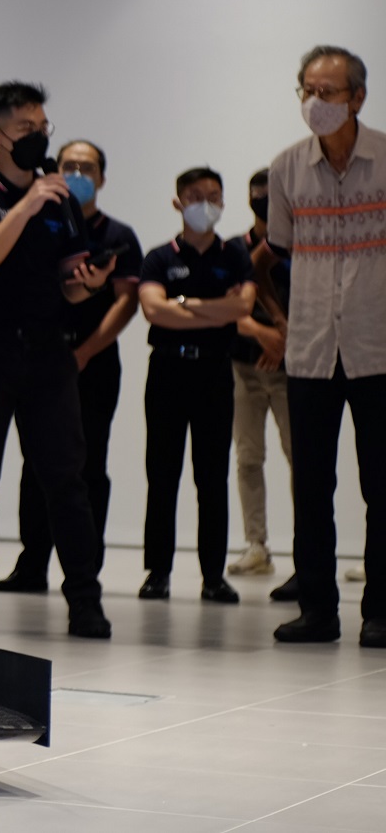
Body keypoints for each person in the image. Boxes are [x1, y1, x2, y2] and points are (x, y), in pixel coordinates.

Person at [0, 82, 116, 638]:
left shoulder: (60, 198)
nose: (38, 137)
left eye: (43, 128)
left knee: (67, 480)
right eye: (26, 130)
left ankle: (85, 599)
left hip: (47, 352)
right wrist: (24, 207)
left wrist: (88, 285)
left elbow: (68, 283)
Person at [257, 45, 385, 647]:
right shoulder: (285, 169)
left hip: (378, 347)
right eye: (307, 90)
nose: (315, 102)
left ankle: (381, 611)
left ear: (358, 97)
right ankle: (317, 609)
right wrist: (285, 323)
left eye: (328, 92)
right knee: (311, 485)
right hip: (310, 350)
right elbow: (278, 253)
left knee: (381, 485)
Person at [0, 140, 141, 592]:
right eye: (69, 164)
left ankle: (84, 570)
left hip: (93, 364)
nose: (77, 171)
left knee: (87, 464)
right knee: (34, 464)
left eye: (87, 166)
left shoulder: (118, 235)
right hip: (41, 360)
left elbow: (125, 303)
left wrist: (86, 351)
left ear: (101, 176)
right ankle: (31, 563)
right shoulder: (40, 220)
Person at [134, 167, 255, 603]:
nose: (207, 203)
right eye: (196, 195)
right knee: (162, 473)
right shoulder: (158, 257)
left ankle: (213, 576)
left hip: (214, 373)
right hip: (167, 371)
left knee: (212, 476)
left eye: (215, 195)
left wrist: (184, 302)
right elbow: (154, 311)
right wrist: (214, 309)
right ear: (178, 201)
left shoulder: (235, 254)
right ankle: (157, 572)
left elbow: (242, 307)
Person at [228, 168, 292, 579]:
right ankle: (257, 545)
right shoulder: (234, 249)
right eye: (258, 193)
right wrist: (261, 333)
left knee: (301, 459)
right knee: (248, 457)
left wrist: (282, 340)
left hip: (292, 368)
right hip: (244, 366)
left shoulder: (298, 245)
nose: (263, 199)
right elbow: (227, 306)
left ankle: (309, 547)